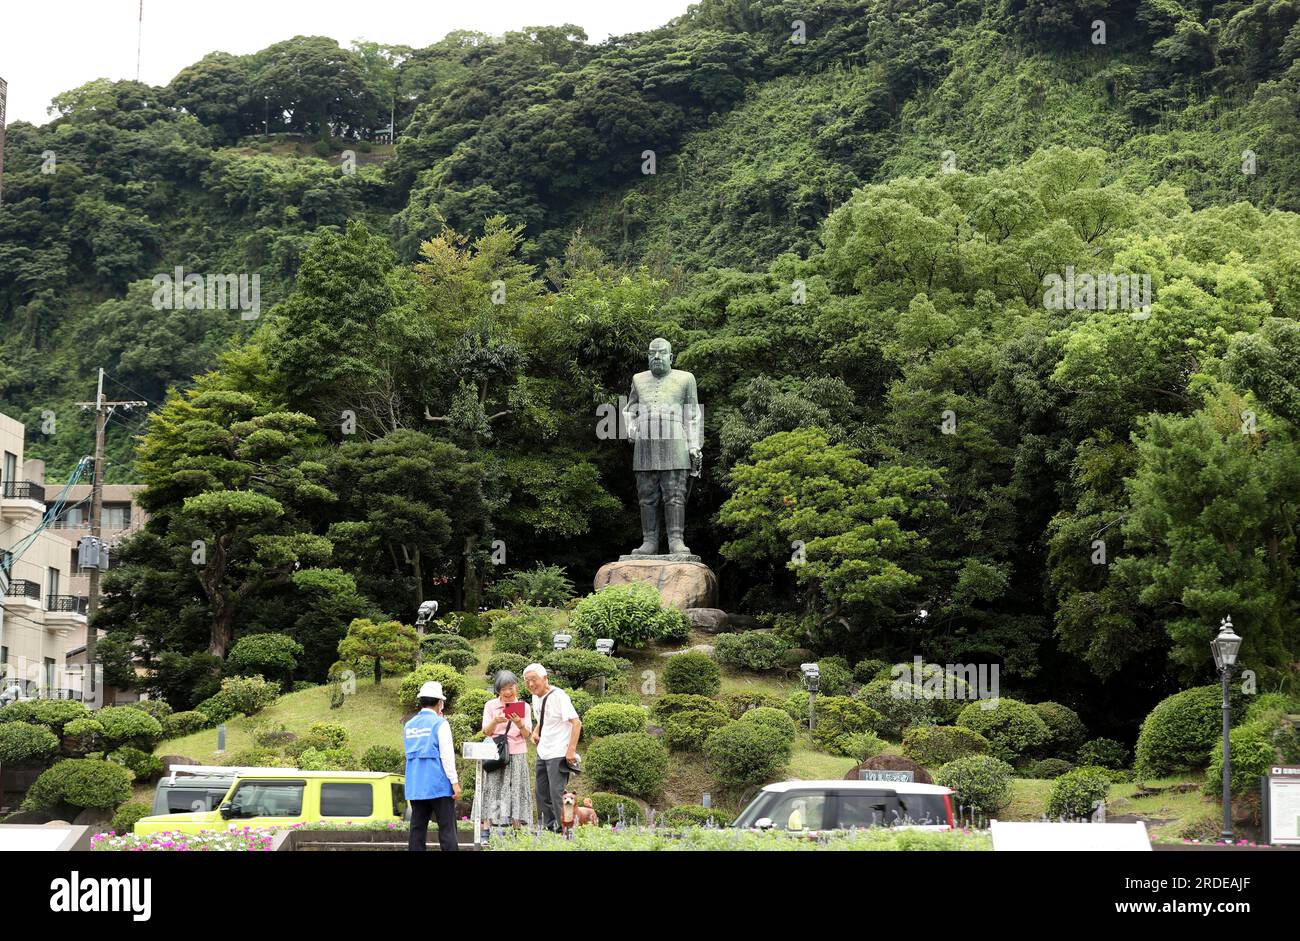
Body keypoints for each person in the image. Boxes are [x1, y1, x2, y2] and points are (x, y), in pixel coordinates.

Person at [471, 670, 533, 839]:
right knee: (492, 787)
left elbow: (528, 735)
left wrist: (519, 723)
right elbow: (486, 731)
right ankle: (486, 828)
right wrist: (495, 721)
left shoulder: (524, 707)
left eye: (511, 687)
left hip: (517, 753)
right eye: (503, 689)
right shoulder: (490, 706)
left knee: (516, 789)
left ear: (516, 687)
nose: (508, 692)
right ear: (497, 690)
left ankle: (517, 829)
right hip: (496, 753)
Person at [522, 663, 581, 833]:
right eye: (527, 681)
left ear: (545, 678)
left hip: (558, 752)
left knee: (558, 795)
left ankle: (567, 831)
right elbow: (543, 719)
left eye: (534, 680)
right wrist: (535, 731)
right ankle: (548, 829)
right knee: (541, 793)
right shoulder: (535, 697)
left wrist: (570, 750)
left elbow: (576, 723)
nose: (531, 685)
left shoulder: (559, 696)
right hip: (543, 752)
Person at [403, 680, 461, 852]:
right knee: (447, 830)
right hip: (438, 784)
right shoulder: (440, 724)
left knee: (417, 830)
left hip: (416, 785)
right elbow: (447, 755)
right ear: (439, 703)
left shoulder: (409, 725)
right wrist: (455, 782)